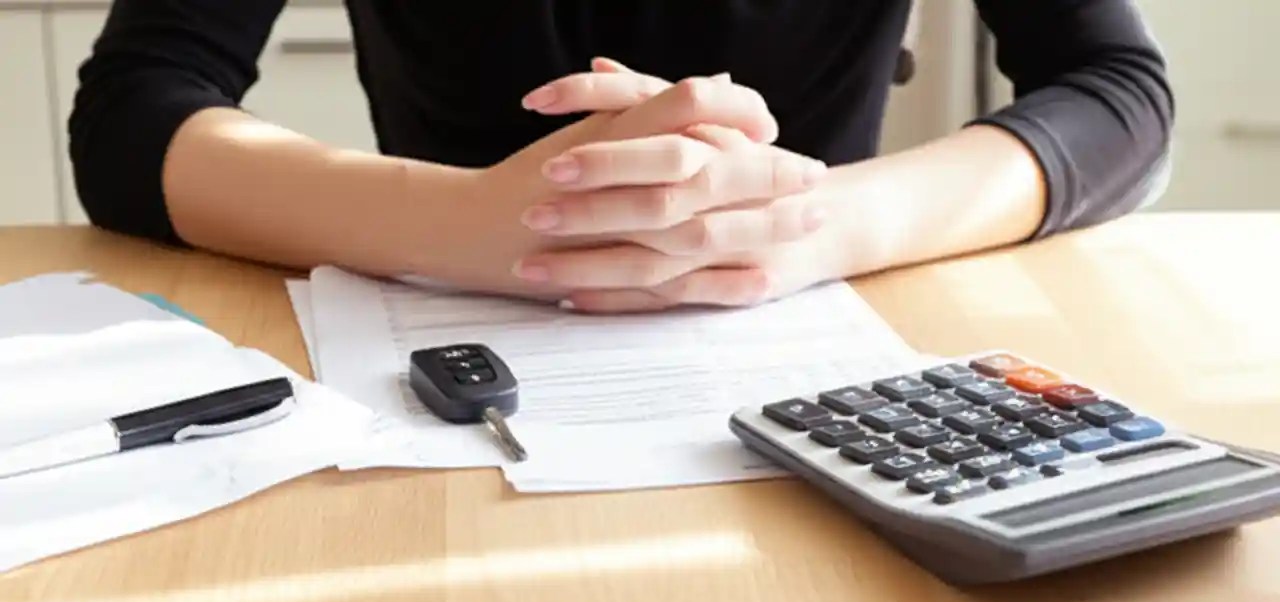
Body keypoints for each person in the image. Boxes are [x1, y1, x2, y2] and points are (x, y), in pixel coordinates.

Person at [69, 1, 1172, 314]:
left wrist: (808, 221)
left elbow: (1117, 94)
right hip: (437, 358)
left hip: (810, 346)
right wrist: (460, 223)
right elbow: (135, 110)